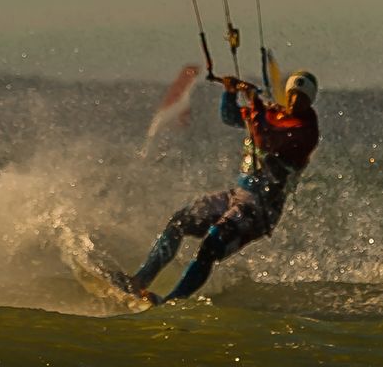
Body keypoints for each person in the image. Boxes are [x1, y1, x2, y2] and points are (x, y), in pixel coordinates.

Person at [127, 70, 320, 304]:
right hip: (237, 195)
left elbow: (265, 139)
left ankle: (172, 302)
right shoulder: (271, 115)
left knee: (211, 246)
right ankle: (139, 281)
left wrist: (254, 101)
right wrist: (230, 94)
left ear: (310, 102)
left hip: (260, 211)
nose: (295, 102)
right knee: (179, 222)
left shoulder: (306, 131)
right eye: (292, 96)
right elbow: (229, 117)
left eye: (301, 98)